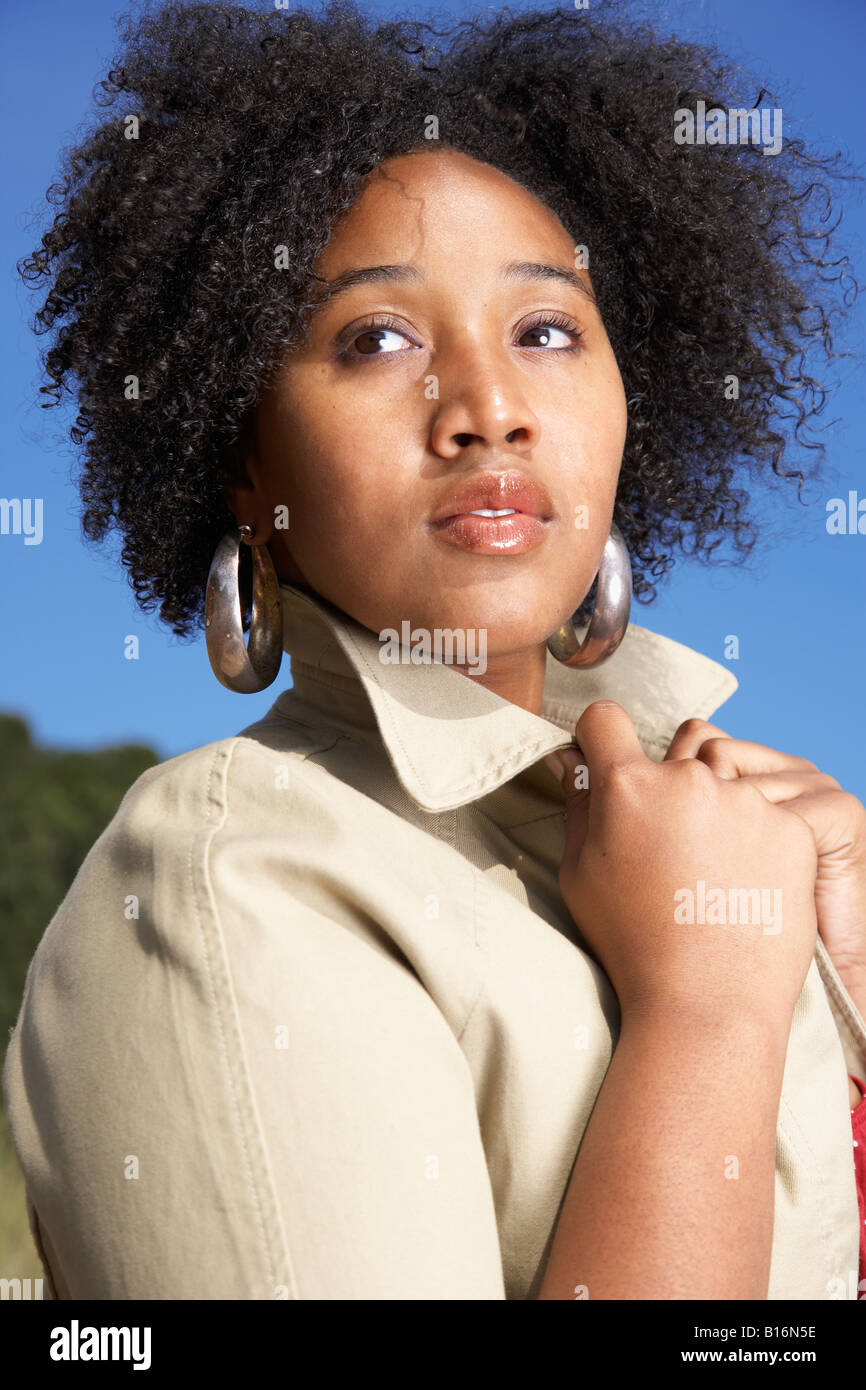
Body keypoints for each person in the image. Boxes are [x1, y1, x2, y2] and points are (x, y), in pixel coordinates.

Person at [3, 0, 865, 1300]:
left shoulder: (748, 848)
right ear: (244, 462)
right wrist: (706, 1015)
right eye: (377, 339)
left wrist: (843, 985)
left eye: (546, 331)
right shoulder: (222, 883)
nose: (489, 409)